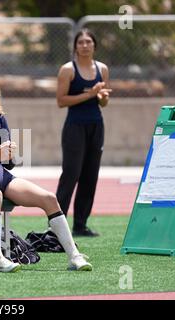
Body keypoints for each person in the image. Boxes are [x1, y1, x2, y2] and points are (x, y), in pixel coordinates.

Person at [0, 70, 93, 273]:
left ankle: (74, 257)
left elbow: (6, 164)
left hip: (0, 175)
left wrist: (10, 156)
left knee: (49, 198)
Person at [55, 29, 112, 237]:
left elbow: (104, 102)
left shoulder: (102, 69)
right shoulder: (68, 70)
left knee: (90, 175)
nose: (85, 45)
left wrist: (101, 96)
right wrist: (90, 94)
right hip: (74, 127)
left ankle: (80, 225)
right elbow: (61, 101)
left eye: (89, 42)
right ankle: (56, 224)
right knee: (71, 174)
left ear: (95, 45)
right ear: (75, 46)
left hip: (96, 125)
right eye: (81, 42)